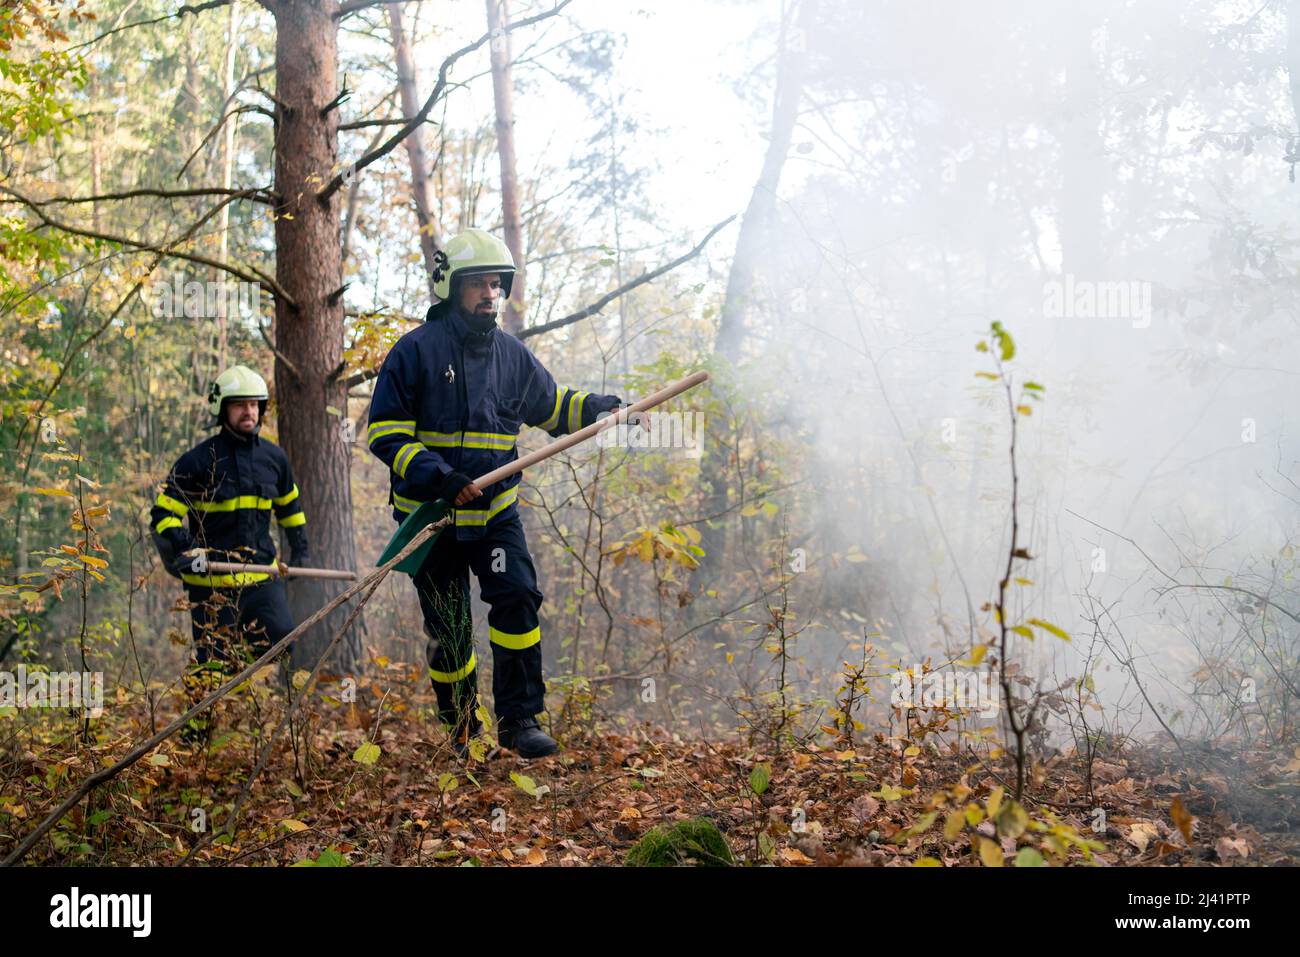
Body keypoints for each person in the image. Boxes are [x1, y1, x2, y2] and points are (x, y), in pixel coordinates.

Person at [367, 228, 621, 759]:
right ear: (451, 288)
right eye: (479, 284)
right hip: (431, 519)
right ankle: (463, 731)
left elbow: (553, 409)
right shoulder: (413, 353)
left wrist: (597, 408)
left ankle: (520, 720)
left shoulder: (513, 355)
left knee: (517, 599)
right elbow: (385, 434)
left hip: (495, 515)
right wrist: (440, 477)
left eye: (497, 284)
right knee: (450, 628)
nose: (490, 294)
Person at [150, 364, 309, 741]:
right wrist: (187, 549)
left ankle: (265, 729)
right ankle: (197, 742)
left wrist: (300, 550)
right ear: (223, 409)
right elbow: (163, 515)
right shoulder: (196, 462)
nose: (248, 412)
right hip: (211, 584)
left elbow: (290, 509)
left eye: (254, 405)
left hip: (262, 580)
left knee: (283, 645)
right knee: (212, 666)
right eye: (239, 405)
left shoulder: (275, 459)